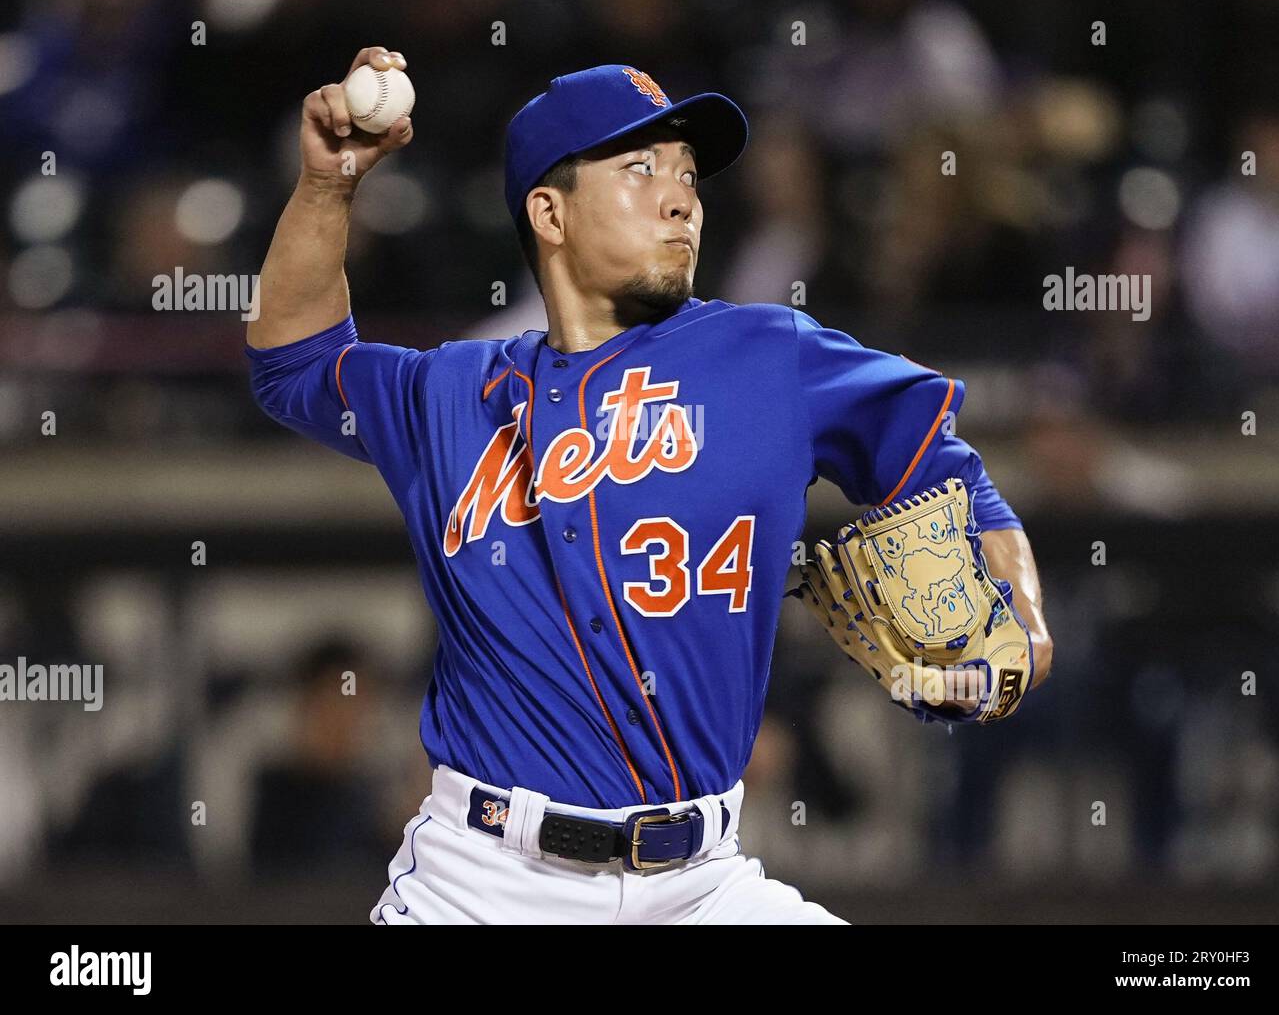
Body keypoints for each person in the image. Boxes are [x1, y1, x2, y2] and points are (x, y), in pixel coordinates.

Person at [246, 49, 1055, 924]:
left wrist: (1025, 619)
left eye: (688, 177)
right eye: (639, 169)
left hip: (704, 883)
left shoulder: (770, 356)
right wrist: (328, 189)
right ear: (548, 212)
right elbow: (293, 361)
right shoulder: (447, 393)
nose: (681, 198)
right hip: (482, 886)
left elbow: (943, 463)